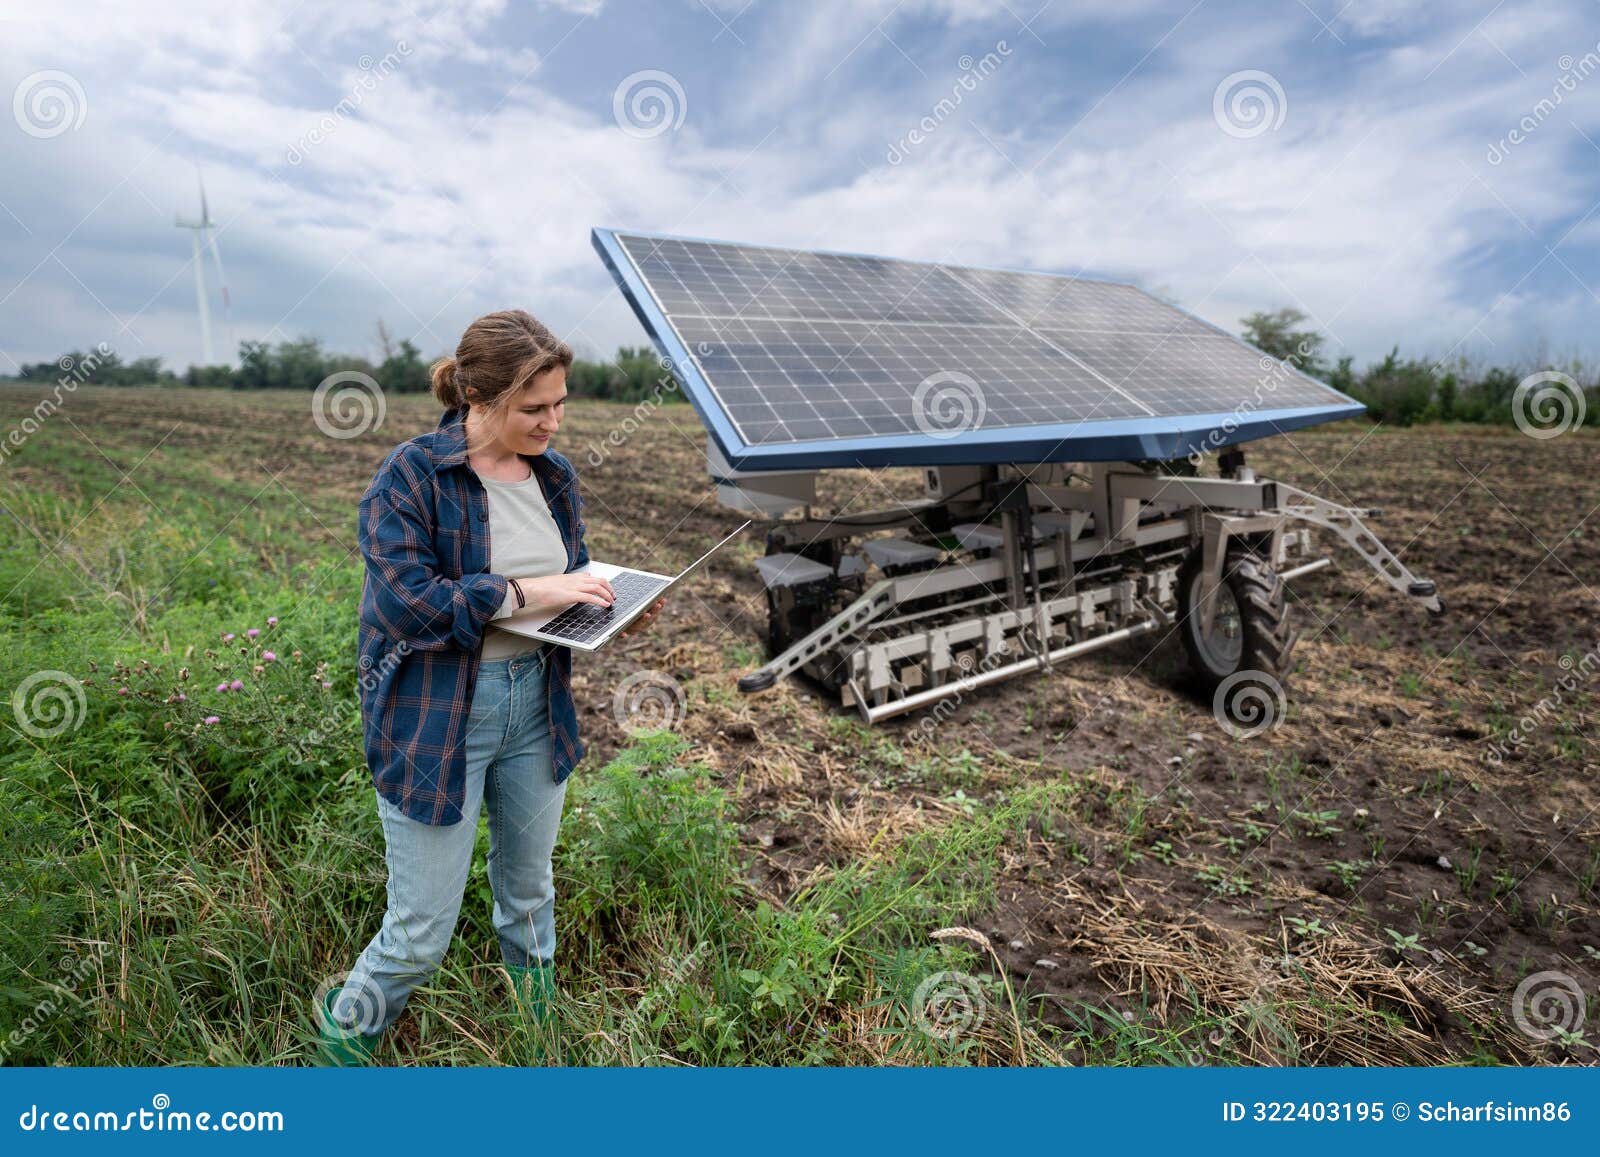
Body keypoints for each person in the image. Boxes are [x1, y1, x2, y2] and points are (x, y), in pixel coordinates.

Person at [316, 309, 663, 1064]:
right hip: (438, 715)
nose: (552, 422)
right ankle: (339, 1052)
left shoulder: (554, 476)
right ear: (477, 395)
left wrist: (609, 607)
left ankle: (536, 1040)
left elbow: (568, 580)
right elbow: (408, 604)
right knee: (419, 931)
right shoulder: (412, 476)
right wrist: (528, 591)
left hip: (536, 705)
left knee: (530, 897)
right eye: (533, 407)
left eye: (560, 403)